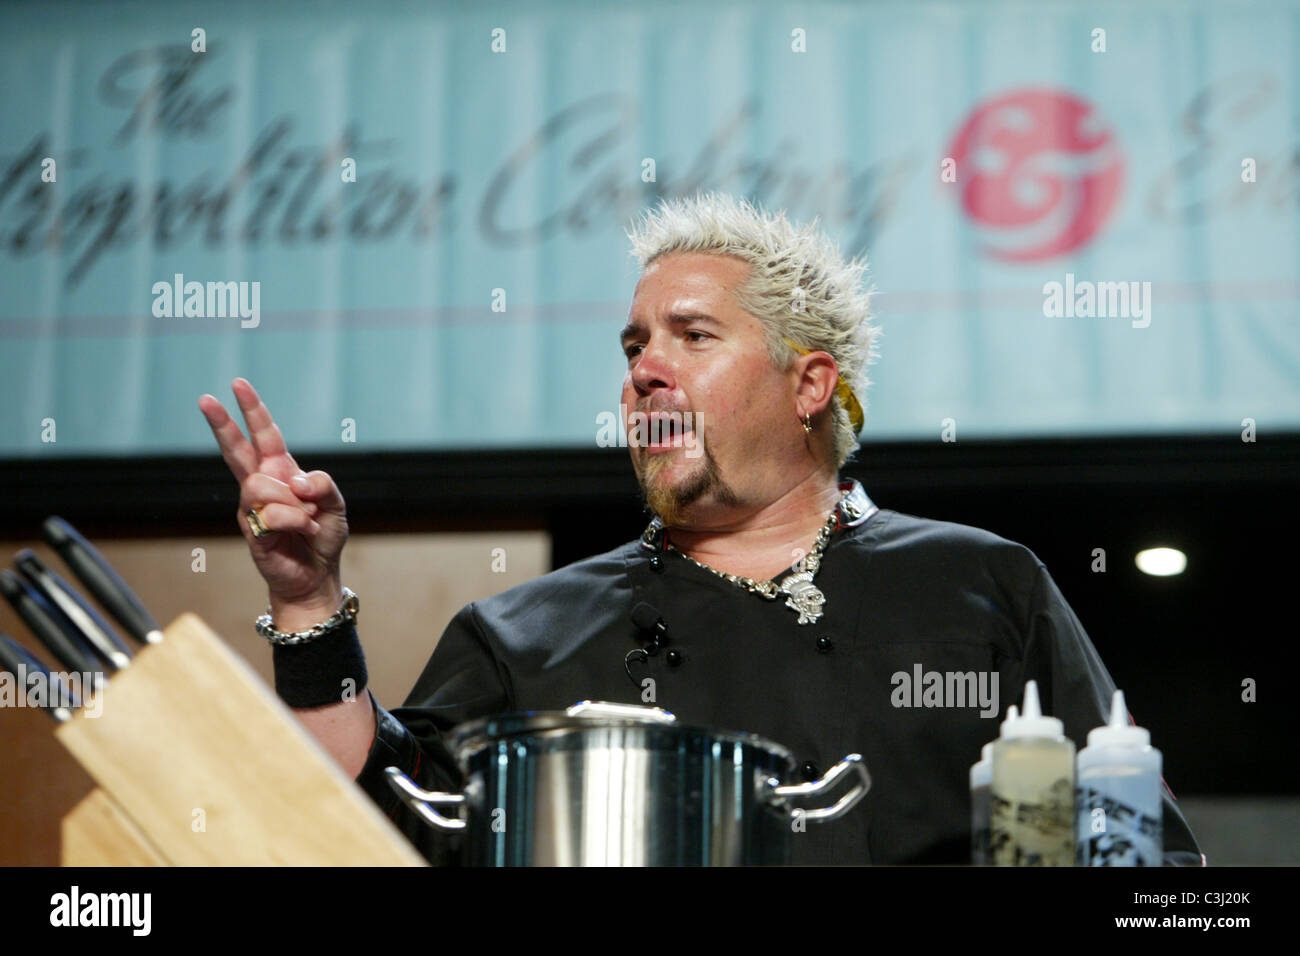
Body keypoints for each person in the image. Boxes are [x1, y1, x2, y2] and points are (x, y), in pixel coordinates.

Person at [198, 192, 1203, 866]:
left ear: (809, 384)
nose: (645, 368)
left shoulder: (981, 585)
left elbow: (1146, 861)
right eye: (634, 344)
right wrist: (307, 602)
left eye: (693, 335)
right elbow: (367, 826)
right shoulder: (524, 634)